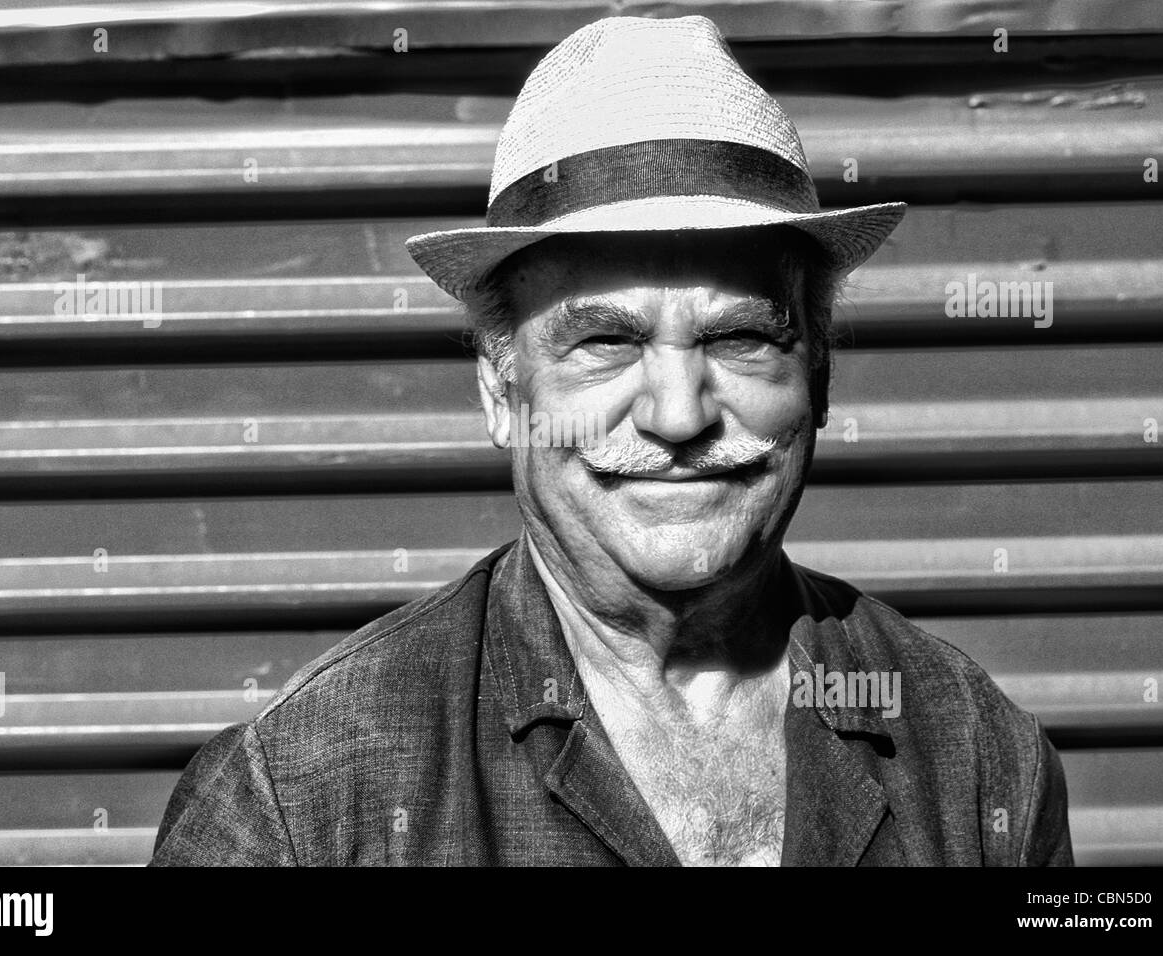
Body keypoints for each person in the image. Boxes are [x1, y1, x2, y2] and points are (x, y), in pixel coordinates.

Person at [151, 14, 1072, 866]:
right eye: (607, 342)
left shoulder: (975, 754)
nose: (678, 416)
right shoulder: (305, 798)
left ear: (819, 374)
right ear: (500, 386)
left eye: (741, 338)